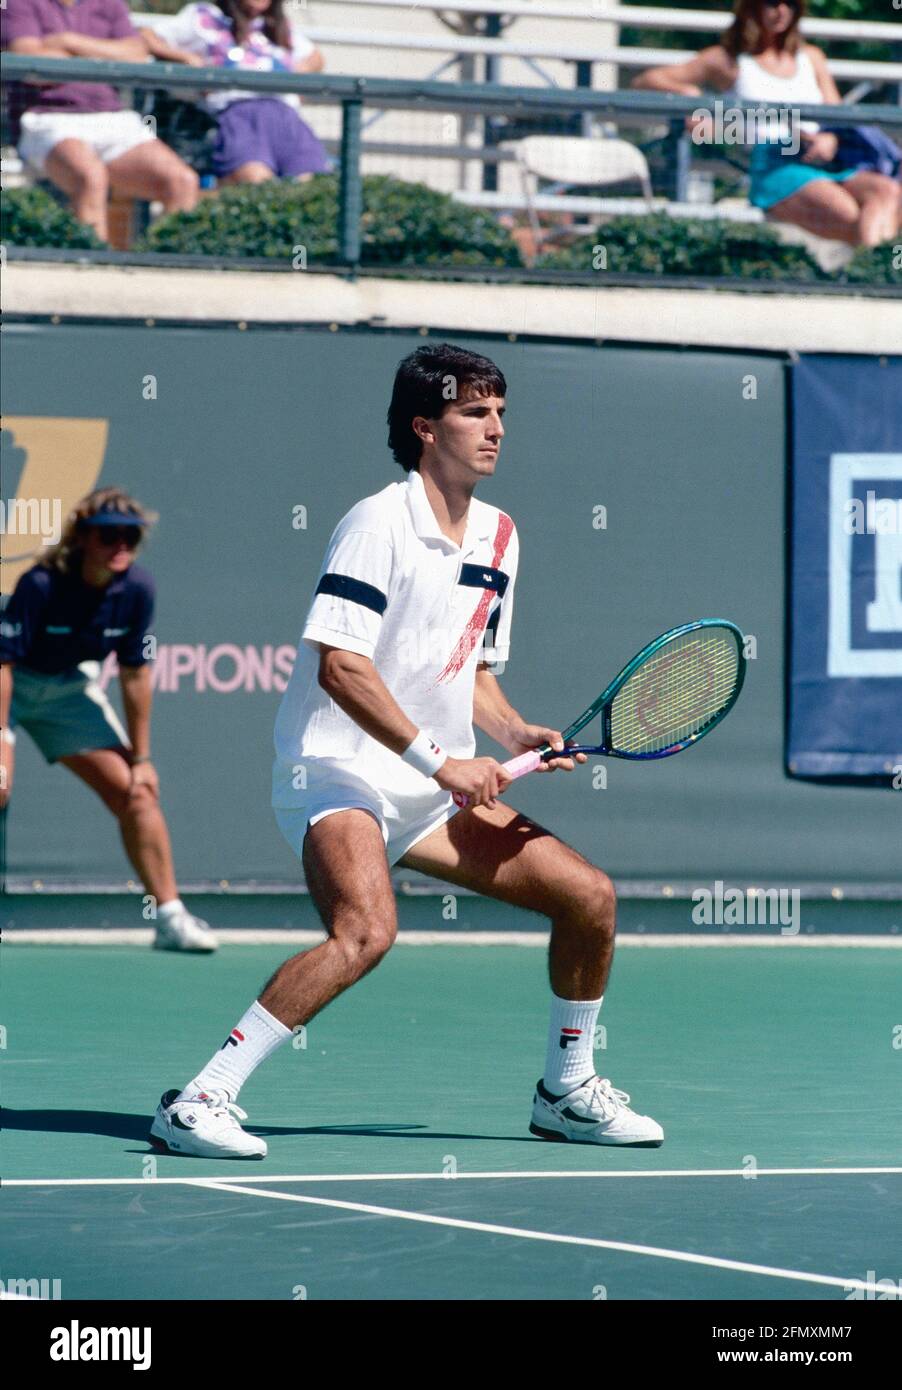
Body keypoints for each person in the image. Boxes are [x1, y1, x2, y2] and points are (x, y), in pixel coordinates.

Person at [149, 343, 663, 1159]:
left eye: (501, 413)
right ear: (425, 428)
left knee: (588, 897)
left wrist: (512, 730)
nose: (495, 429)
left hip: (431, 789)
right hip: (335, 771)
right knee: (365, 932)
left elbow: (471, 669)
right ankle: (200, 1100)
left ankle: (566, 1090)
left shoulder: (499, 535)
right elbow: (343, 667)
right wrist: (440, 762)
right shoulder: (376, 523)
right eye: (474, 413)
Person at [0, 488, 217, 953]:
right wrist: (1, 740)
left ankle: (170, 918)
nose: (120, 545)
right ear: (82, 538)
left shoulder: (136, 589)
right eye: (107, 535)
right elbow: (4, 665)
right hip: (10, 684)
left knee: (137, 793)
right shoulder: (41, 584)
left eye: (130, 537)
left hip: (68, 694)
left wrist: (142, 758)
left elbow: (136, 674)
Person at [631, 0, 902, 248]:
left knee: (889, 192)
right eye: (772, 1)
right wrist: (689, 96)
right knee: (851, 214)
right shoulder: (728, 59)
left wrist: (831, 139)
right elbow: (646, 81)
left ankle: (878, 277)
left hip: (826, 159)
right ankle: (875, 276)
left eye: (790, 3)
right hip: (775, 160)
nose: (782, 10)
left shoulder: (812, 58)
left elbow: (838, 116)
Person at [2, 0, 200, 243]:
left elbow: (136, 55)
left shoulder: (110, 3)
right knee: (90, 177)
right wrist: (103, 55)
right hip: (46, 118)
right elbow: (30, 62)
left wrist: (67, 42)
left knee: (182, 181)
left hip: (111, 116)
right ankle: (93, 269)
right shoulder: (19, 2)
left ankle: (163, 272)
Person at [139, 0, 330, 185]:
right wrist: (186, 58)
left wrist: (293, 75)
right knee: (256, 184)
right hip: (237, 117)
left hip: (287, 118)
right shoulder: (205, 17)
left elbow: (316, 58)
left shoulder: (276, 26)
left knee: (311, 185)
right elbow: (147, 36)